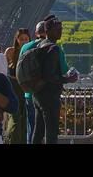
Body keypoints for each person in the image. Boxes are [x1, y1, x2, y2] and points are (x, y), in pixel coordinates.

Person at [30, 15, 76, 145]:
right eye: (57, 29)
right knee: (51, 132)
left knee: (38, 131)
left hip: (38, 94)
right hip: (49, 96)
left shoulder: (41, 45)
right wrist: (67, 78)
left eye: (61, 29)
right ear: (48, 31)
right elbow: (49, 76)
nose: (60, 32)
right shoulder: (54, 48)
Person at [3, 27, 30, 145]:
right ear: (17, 39)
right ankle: (12, 140)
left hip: (25, 87)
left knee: (24, 117)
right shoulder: (10, 51)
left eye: (26, 39)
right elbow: (3, 69)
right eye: (21, 39)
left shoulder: (31, 52)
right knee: (15, 117)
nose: (24, 41)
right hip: (13, 86)